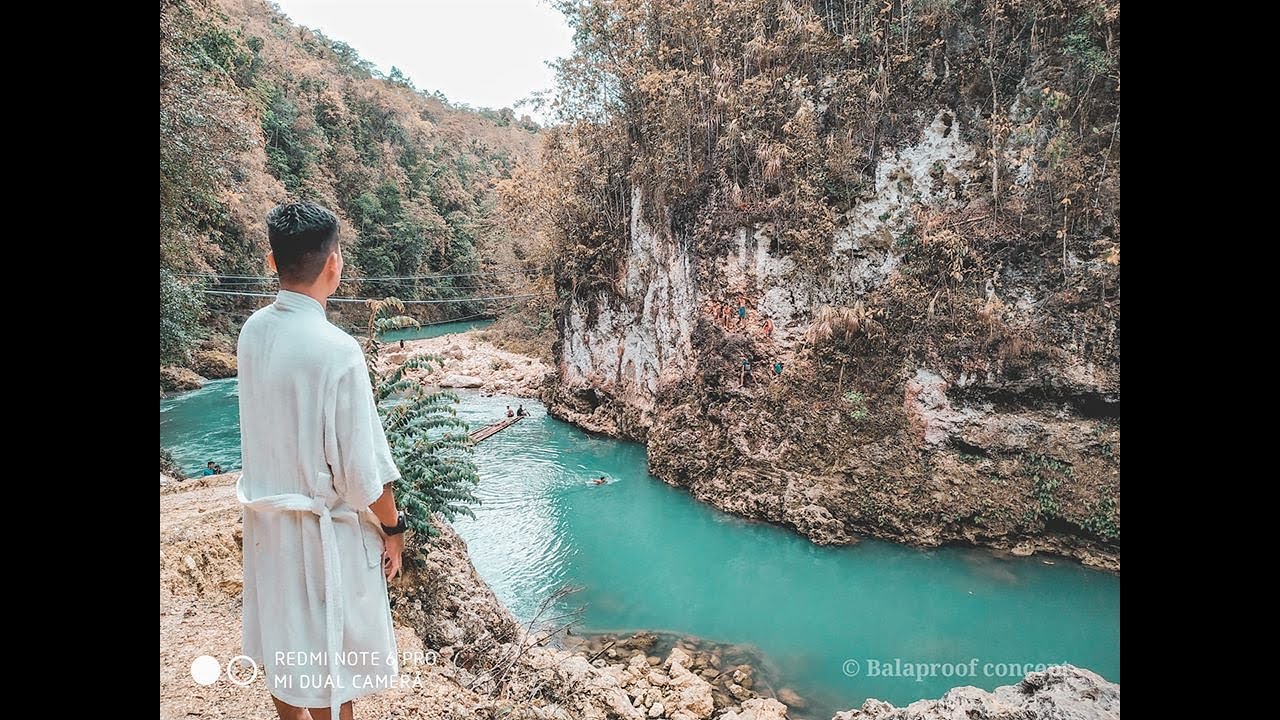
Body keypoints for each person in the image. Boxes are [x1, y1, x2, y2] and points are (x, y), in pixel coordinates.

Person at [237, 201, 405, 720]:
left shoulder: (252, 332)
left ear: (271, 260)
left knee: (288, 656)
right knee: (334, 667)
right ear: (334, 263)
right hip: (320, 532)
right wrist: (394, 527)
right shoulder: (337, 350)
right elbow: (360, 473)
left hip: (268, 527)